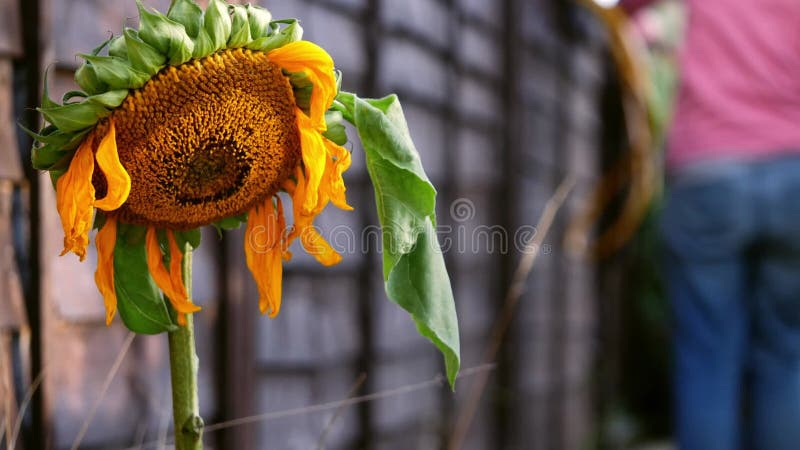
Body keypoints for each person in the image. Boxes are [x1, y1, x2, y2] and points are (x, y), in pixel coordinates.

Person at [620, 1, 800, 449]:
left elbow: (626, 8)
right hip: (793, 169)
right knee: (788, 352)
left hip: (709, 168)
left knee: (707, 354)